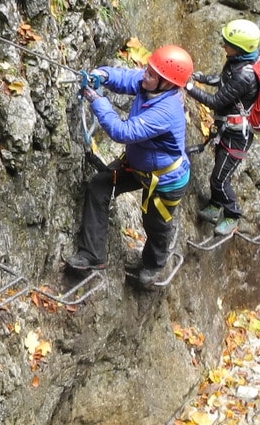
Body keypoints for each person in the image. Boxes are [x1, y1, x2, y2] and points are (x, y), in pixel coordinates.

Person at [66, 45, 193, 289]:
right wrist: (102, 75)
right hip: (137, 166)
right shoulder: (151, 84)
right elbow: (125, 78)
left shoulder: (167, 111)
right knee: (99, 186)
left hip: (165, 180)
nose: (145, 74)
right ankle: (92, 255)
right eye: (148, 69)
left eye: (152, 74)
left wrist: (97, 100)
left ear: (166, 83)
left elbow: (122, 131)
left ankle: (154, 264)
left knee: (155, 223)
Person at [185, 18, 260, 237]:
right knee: (218, 170)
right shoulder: (236, 62)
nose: (223, 45)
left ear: (238, 48)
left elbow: (216, 102)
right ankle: (215, 205)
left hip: (238, 137)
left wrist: (188, 85)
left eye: (227, 42)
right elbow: (222, 79)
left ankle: (233, 214)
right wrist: (202, 78)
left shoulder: (246, 76)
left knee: (219, 178)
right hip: (226, 130)